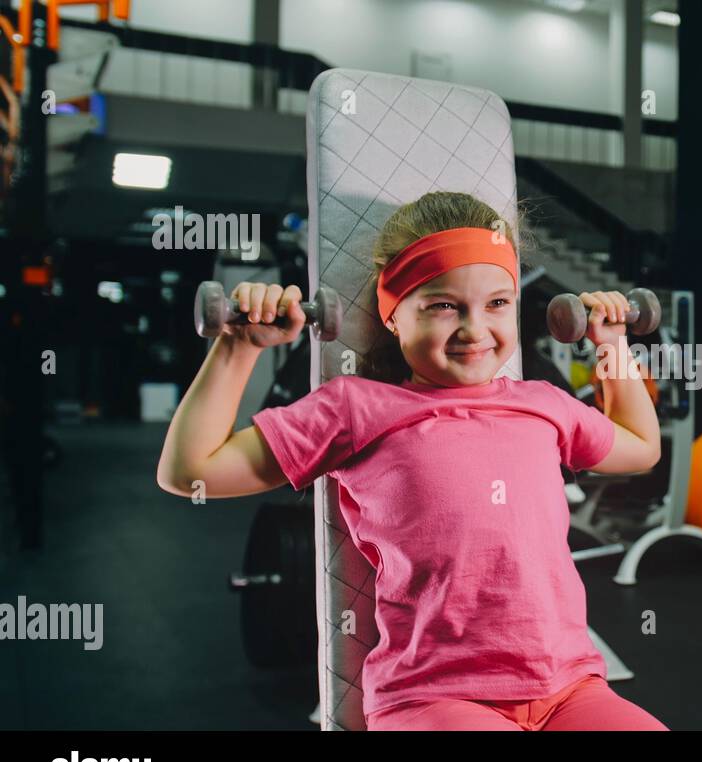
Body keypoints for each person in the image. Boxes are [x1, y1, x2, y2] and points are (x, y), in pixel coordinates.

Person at [156, 192, 668, 731]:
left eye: (497, 303)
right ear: (394, 315)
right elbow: (191, 473)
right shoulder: (356, 408)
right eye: (444, 306)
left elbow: (639, 445)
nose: (475, 329)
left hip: (569, 688)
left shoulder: (542, 403)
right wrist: (240, 345)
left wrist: (611, 343)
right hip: (437, 698)